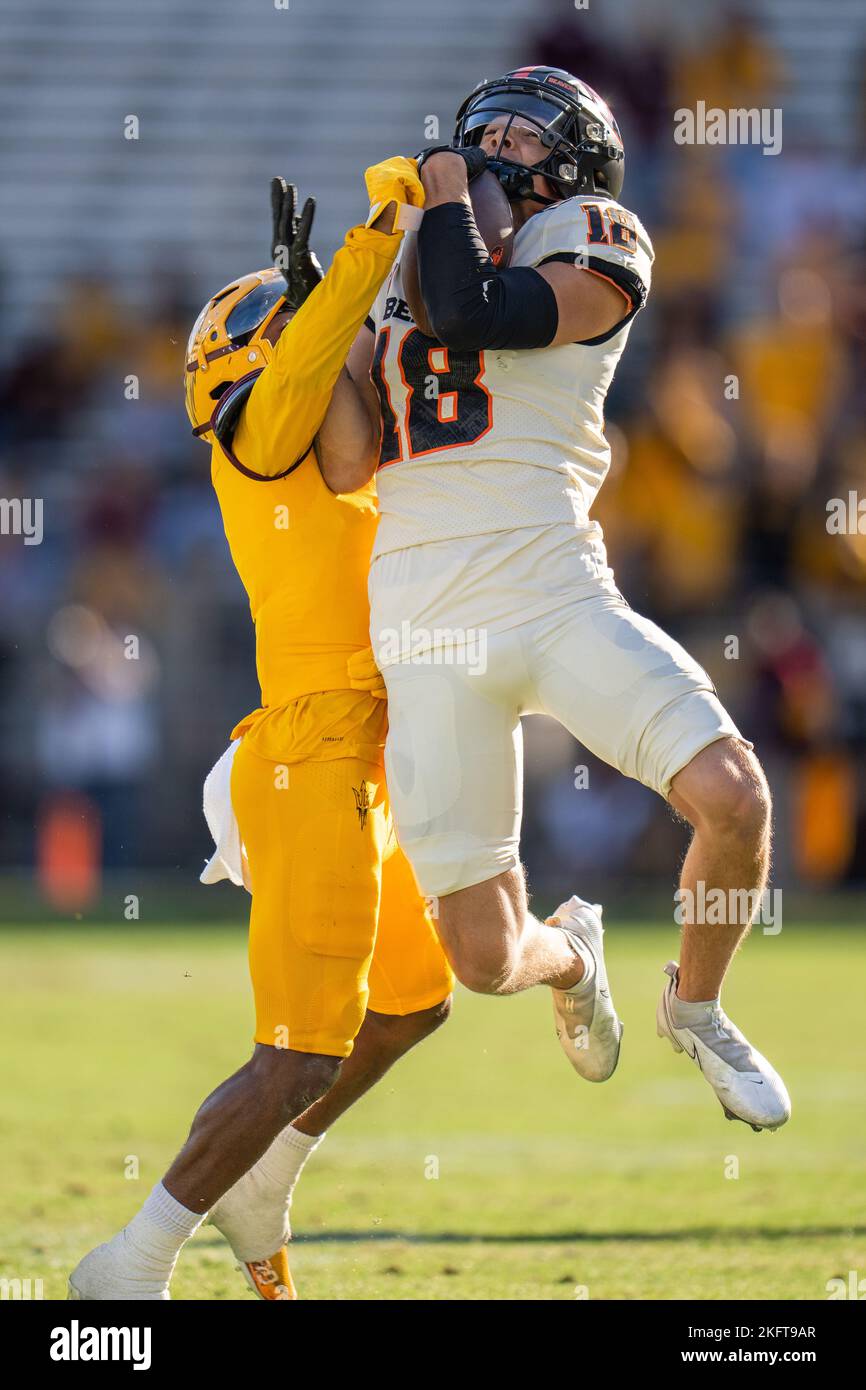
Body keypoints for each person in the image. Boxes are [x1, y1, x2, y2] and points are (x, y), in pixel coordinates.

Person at [329, 68, 790, 1134]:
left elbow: (472, 307)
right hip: (421, 608)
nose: (491, 148)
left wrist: (439, 203)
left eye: (520, 137)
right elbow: (350, 461)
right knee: (486, 959)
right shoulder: (403, 254)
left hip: (549, 585)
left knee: (733, 797)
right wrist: (312, 338)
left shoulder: (597, 232)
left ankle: (699, 1003)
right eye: (477, 131)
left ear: (580, 161)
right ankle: (572, 954)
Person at [68, 159, 453, 1301]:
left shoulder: (330, 465)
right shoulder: (258, 434)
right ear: (270, 362)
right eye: (313, 354)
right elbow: (304, 375)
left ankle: (263, 1171)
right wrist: (377, 237)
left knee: (413, 1002)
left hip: (359, 758)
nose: (342, 375)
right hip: (309, 759)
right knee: (297, 1049)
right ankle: (129, 1263)